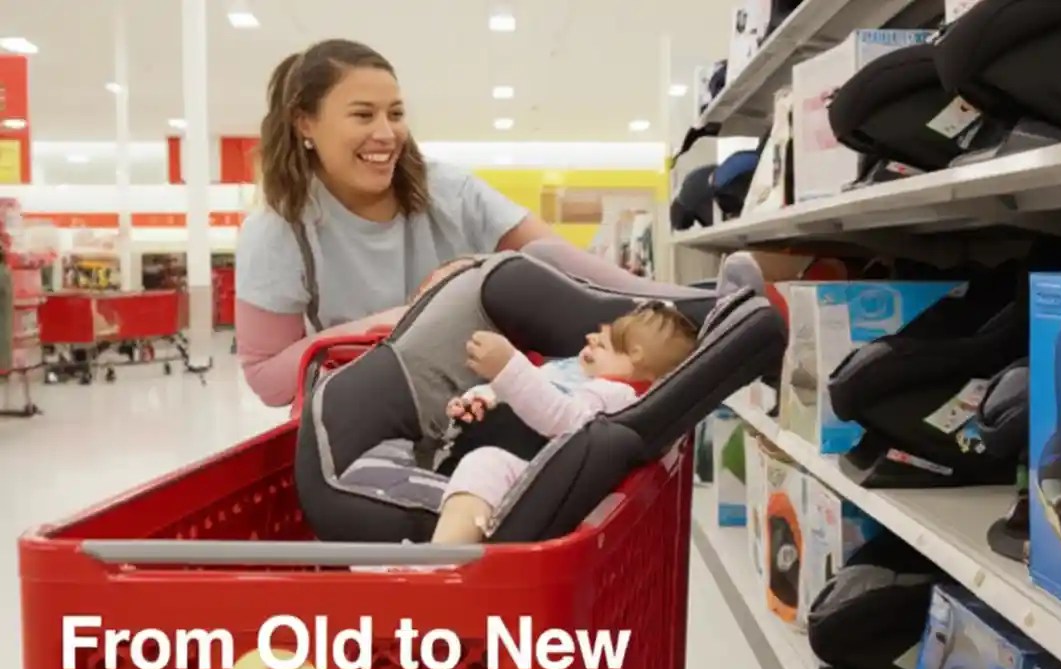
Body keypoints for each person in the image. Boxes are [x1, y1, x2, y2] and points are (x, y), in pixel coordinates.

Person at [235, 38, 709, 407]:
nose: (386, 133)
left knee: (531, 265)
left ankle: (697, 307)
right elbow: (267, 378)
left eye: (395, 114)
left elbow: (560, 266)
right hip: (375, 405)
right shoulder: (279, 230)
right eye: (363, 115)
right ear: (305, 123)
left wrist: (658, 305)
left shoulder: (447, 190)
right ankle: (700, 309)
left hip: (487, 392)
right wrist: (406, 319)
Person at [431, 303, 698, 544]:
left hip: (542, 491)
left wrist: (508, 367)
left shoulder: (617, 394)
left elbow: (565, 419)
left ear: (636, 357)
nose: (590, 338)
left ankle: (442, 562)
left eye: (604, 346)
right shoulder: (619, 397)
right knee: (485, 465)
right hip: (545, 480)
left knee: (484, 467)